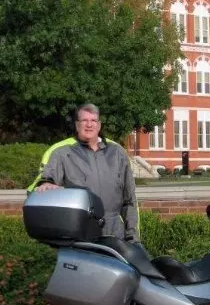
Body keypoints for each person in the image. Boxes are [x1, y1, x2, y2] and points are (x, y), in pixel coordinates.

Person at [28, 103, 139, 241]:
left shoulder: (117, 153)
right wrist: (45, 185)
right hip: (79, 235)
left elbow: (130, 200)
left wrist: (133, 238)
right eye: (84, 120)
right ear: (77, 125)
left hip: (115, 235)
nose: (89, 125)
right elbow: (46, 181)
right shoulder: (62, 153)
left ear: (99, 125)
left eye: (93, 120)